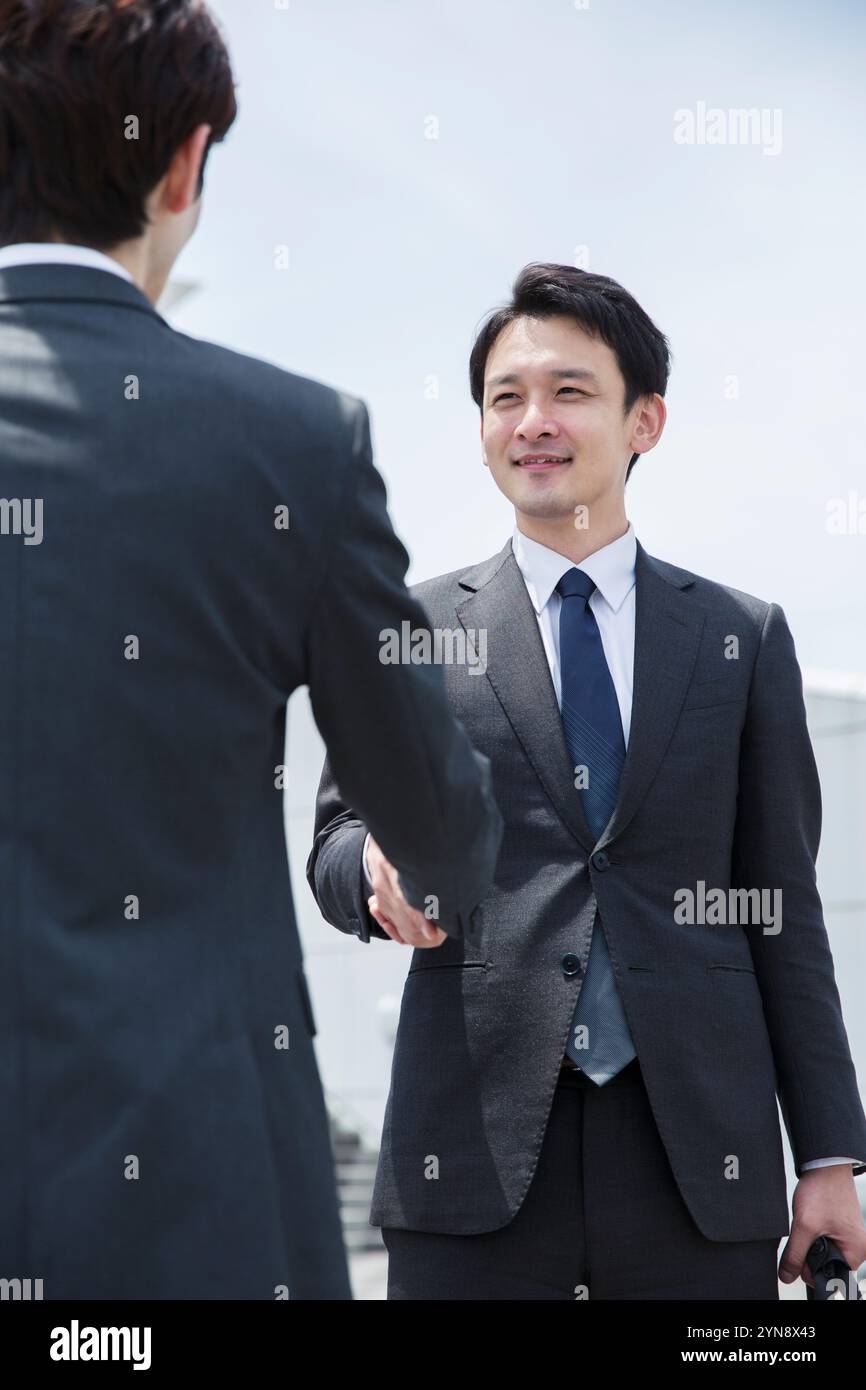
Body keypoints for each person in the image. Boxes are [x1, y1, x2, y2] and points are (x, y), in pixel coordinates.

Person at [0, 0, 502, 1299]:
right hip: (190, 1184)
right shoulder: (292, 443)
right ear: (184, 165)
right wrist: (426, 875)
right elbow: (432, 812)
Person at [307, 262, 866, 1300]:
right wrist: (373, 867)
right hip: (469, 1158)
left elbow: (781, 907)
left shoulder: (738, 638)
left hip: (697, 1163)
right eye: (504, 397)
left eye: (567, 391)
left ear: (642, 419)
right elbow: (334, 842)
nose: (531, 422)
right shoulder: (414, 630)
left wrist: (827, 1155)